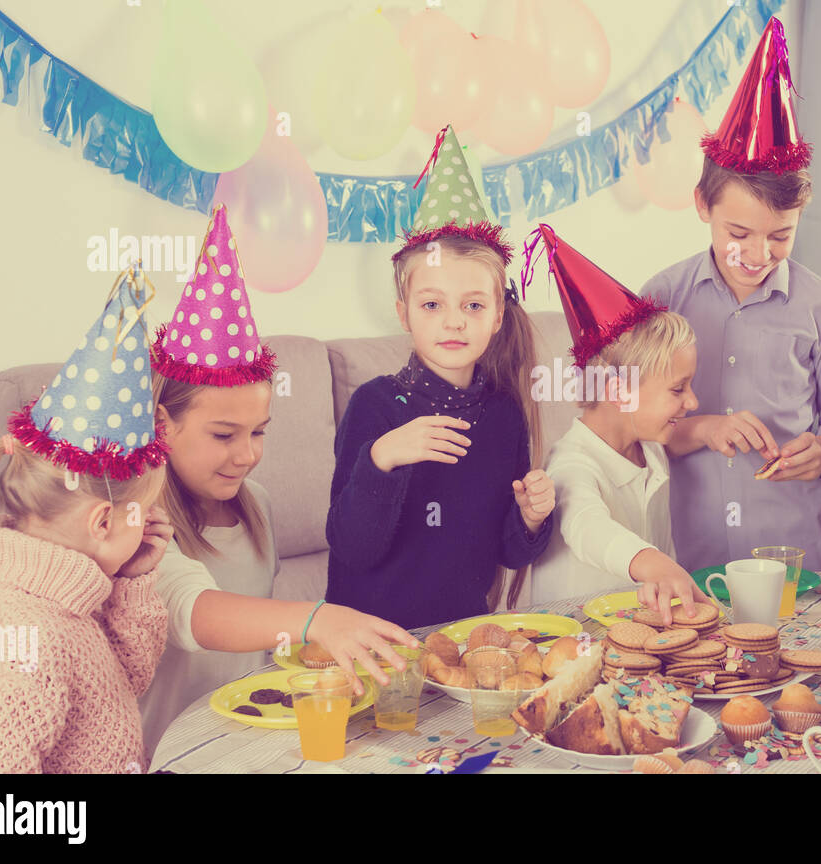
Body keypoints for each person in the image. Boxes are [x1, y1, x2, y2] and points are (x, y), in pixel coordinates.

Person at [140, 205, 417, 752]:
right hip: (174, 750)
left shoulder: (257, 505)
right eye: (223, 435)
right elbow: (193, 613)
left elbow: (262, 653)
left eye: (259, 432)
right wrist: (319, 618)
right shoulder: (142, 526)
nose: (247, 456)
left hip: (255, 738)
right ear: (161, 425)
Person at [642, 17, 821, 573]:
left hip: (799, 560)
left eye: (781, 236)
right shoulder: (663, 297)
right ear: (703, 206)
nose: (757, 254)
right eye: (737, 235)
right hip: (694, 563)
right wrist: (702, 428)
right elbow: (634, 417)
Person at [0, 268, 170, 772]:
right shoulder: (23, 638)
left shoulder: (69, 598)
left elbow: (124, 682)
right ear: (103, 520)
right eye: (143, 508)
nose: (152, 519)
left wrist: (132, 581)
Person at [326, 126, 555, 629]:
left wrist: (531, 516)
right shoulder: (374, 406)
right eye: (432, 304)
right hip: (371, 646)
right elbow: (350, 547)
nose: (454, 321)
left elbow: (508, 553)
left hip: (463, 643)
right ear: (404, 313)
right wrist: (382, 458)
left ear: (497, 316)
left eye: (473, 305)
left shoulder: (503, 415)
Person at [519, 225, 709, 620]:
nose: (693, 401)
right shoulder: (572, 464)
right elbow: (587, 526)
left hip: (634, 639)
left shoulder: (652, 451)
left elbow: (663, 560)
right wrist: (653, 562)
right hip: (578, 640)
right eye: (678, 389)